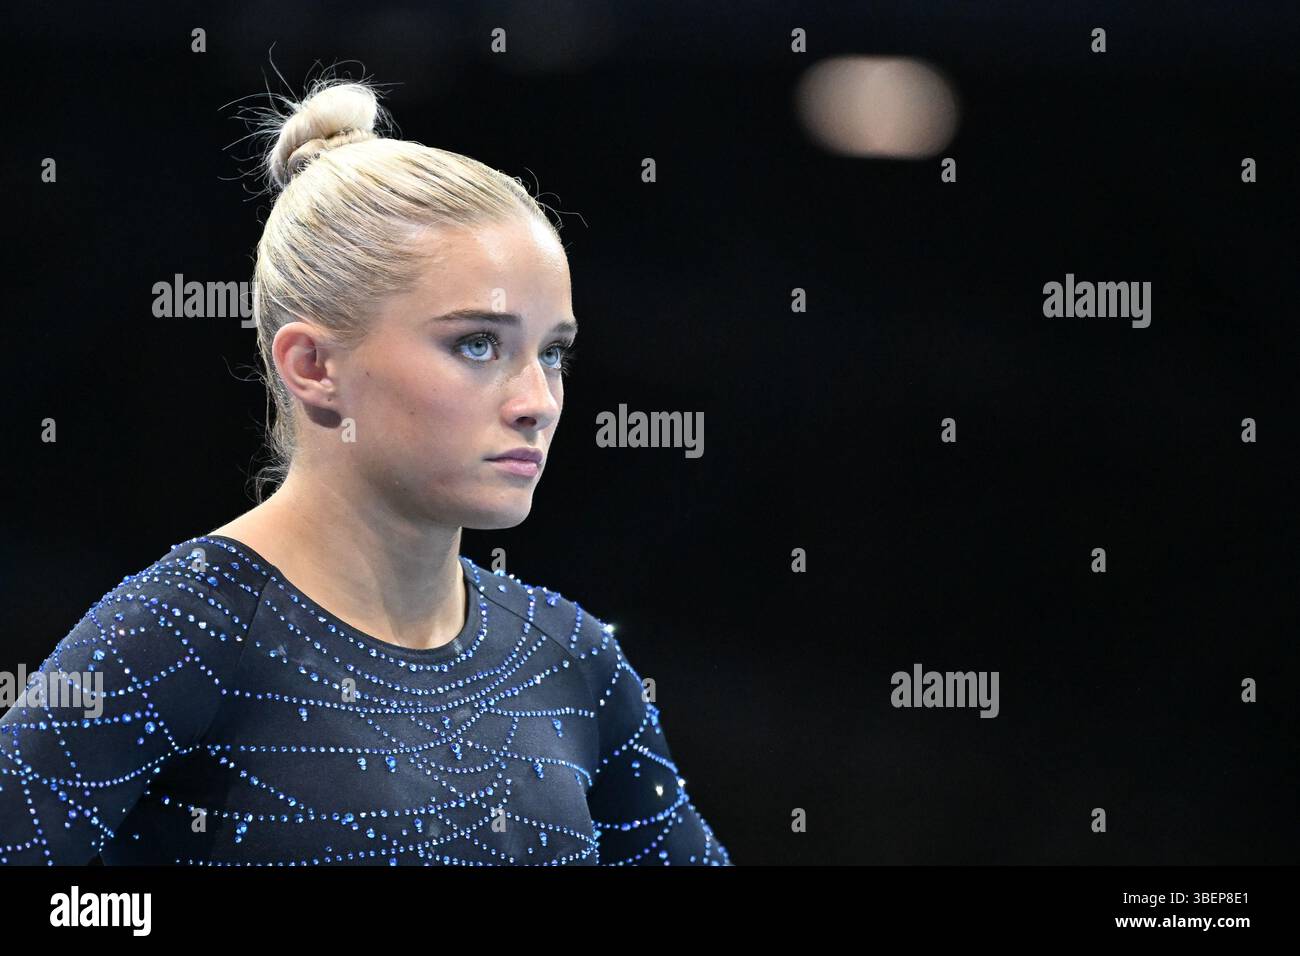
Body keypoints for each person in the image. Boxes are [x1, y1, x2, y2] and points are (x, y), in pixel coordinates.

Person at [0, 77, 730, 866]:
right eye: (477, 345)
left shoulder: (569, 658)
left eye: (551, 352)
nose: (537, 401)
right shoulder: (185, 633)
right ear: (314, 365)